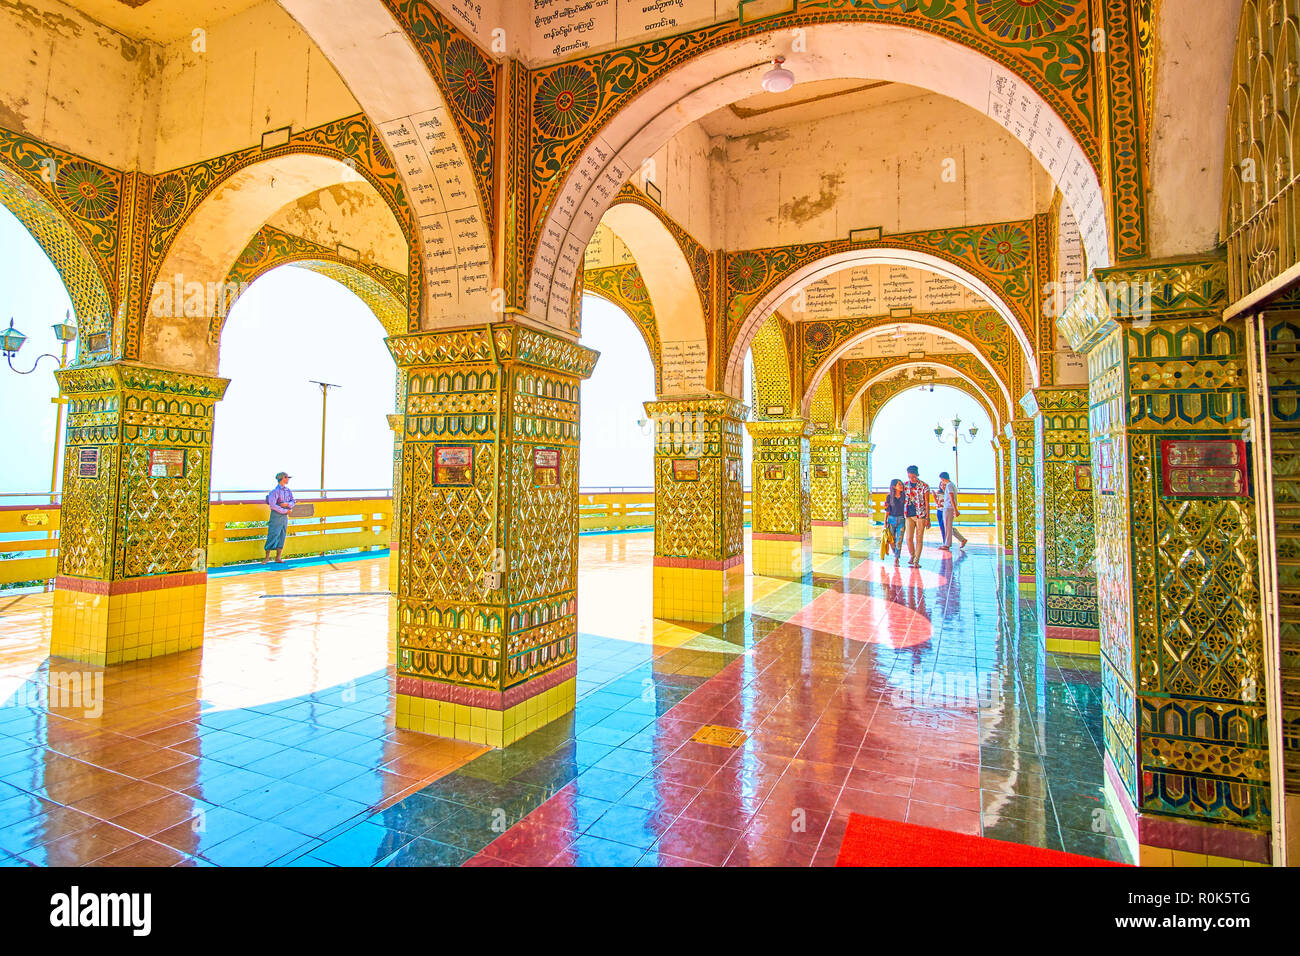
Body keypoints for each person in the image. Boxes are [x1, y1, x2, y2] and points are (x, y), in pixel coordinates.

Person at [902, 464, 934, 567]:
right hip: (908, 515)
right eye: (910, 476)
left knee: (919, 538)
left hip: (920, 515)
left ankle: (916, 560)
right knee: (908, 538)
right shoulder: (905, 485)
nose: (912, 479)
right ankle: (912, 555)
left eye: (913, 476)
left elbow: (927, 502)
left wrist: (928, 518)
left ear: (917, 474)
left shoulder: (924, 486)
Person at [265, 471, 295, 563]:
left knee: (282, 534)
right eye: (287, 478)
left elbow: (293, 501)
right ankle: (267, 557)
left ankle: (278, 557)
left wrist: (287, 504)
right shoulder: (274, 492)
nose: (288, 479)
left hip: (284, 516)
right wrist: (285, 510)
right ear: (283, 478)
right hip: (276, 516)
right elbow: (273, 505)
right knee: (273, 534)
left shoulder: (288, 491)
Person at [936, 471, 968, 551]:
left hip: (949, 508)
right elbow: (948, 497)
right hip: (948, 507)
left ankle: (947, 545)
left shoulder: (949, 485)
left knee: (947, 527)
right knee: (948, 526)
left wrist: (955, 510)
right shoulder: (951, 485)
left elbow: (951, 498)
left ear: (942, 479)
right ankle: (962, 539)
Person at [884, 478, 907, 564]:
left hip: (901, 519)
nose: (901, 486)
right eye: (899, 484)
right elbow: (887, 509)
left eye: (901, 484)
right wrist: (885, 521)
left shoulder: (904, 496)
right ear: (894, 486)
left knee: (899, 540)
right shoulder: (889, 497)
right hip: (891, 519)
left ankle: (896, 558)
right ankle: (896, 553)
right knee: (891, 540)